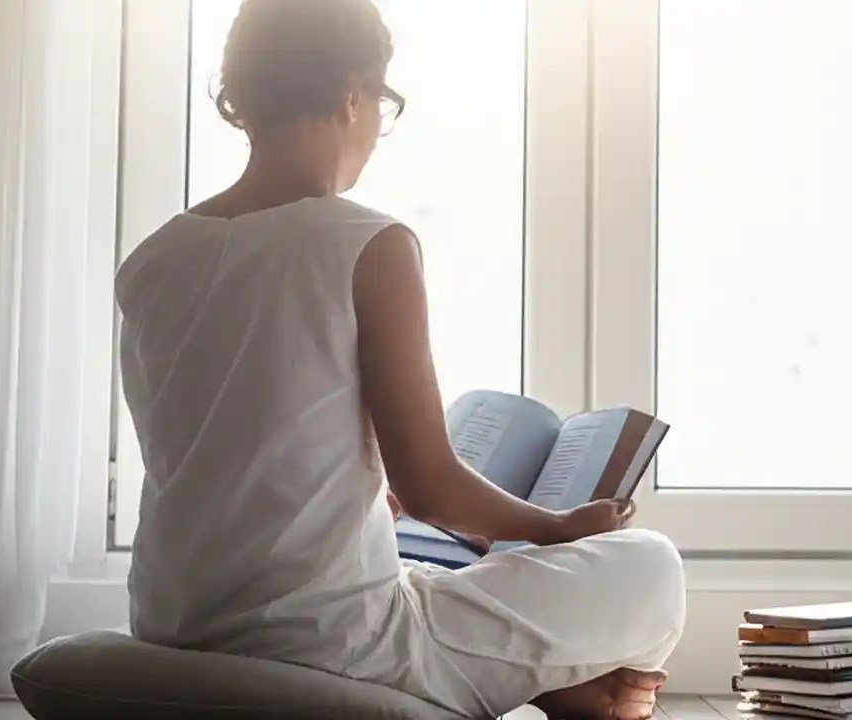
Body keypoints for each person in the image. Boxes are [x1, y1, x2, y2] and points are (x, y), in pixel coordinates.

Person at [115, 1, 685, 717]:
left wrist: (349, 497)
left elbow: (218, 455)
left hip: (174, 626)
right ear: (353, 92)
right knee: (649, 563)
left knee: (420, 572)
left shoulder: (152, 260)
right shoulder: (368, 244)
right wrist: (559, 527)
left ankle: (554, 681)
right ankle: (575, 686)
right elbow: (429, 490)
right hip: (333, 641)